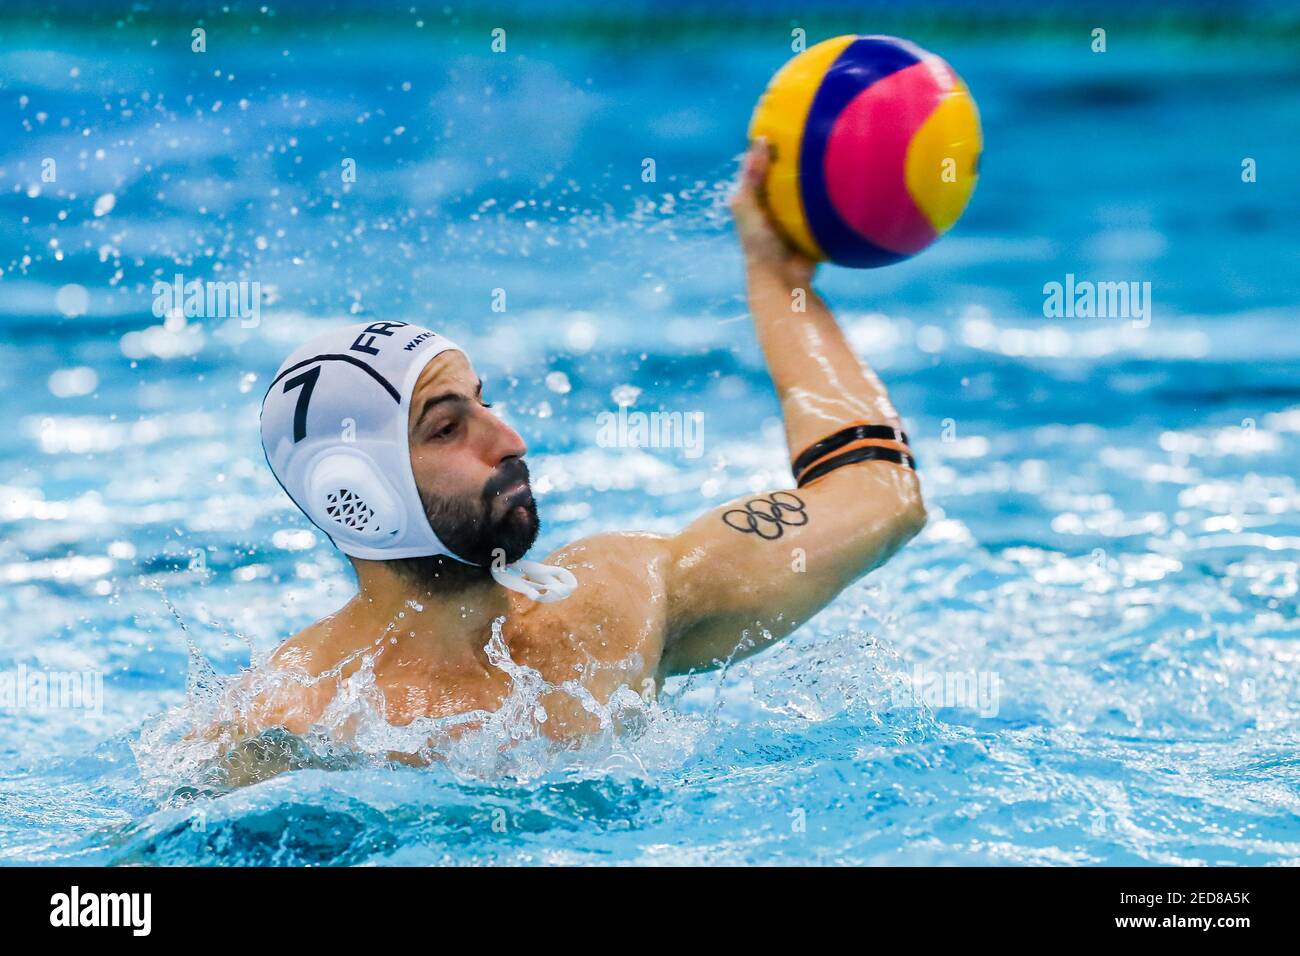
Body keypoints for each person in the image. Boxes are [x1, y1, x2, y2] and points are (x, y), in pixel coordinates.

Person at [239, 139, 926, 746]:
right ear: (356, 497)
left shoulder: (612, 610)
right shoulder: (291, 730)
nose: (510, 439)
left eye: (485, 402)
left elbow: (879, 496)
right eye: (448, 428)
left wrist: (778, 275)